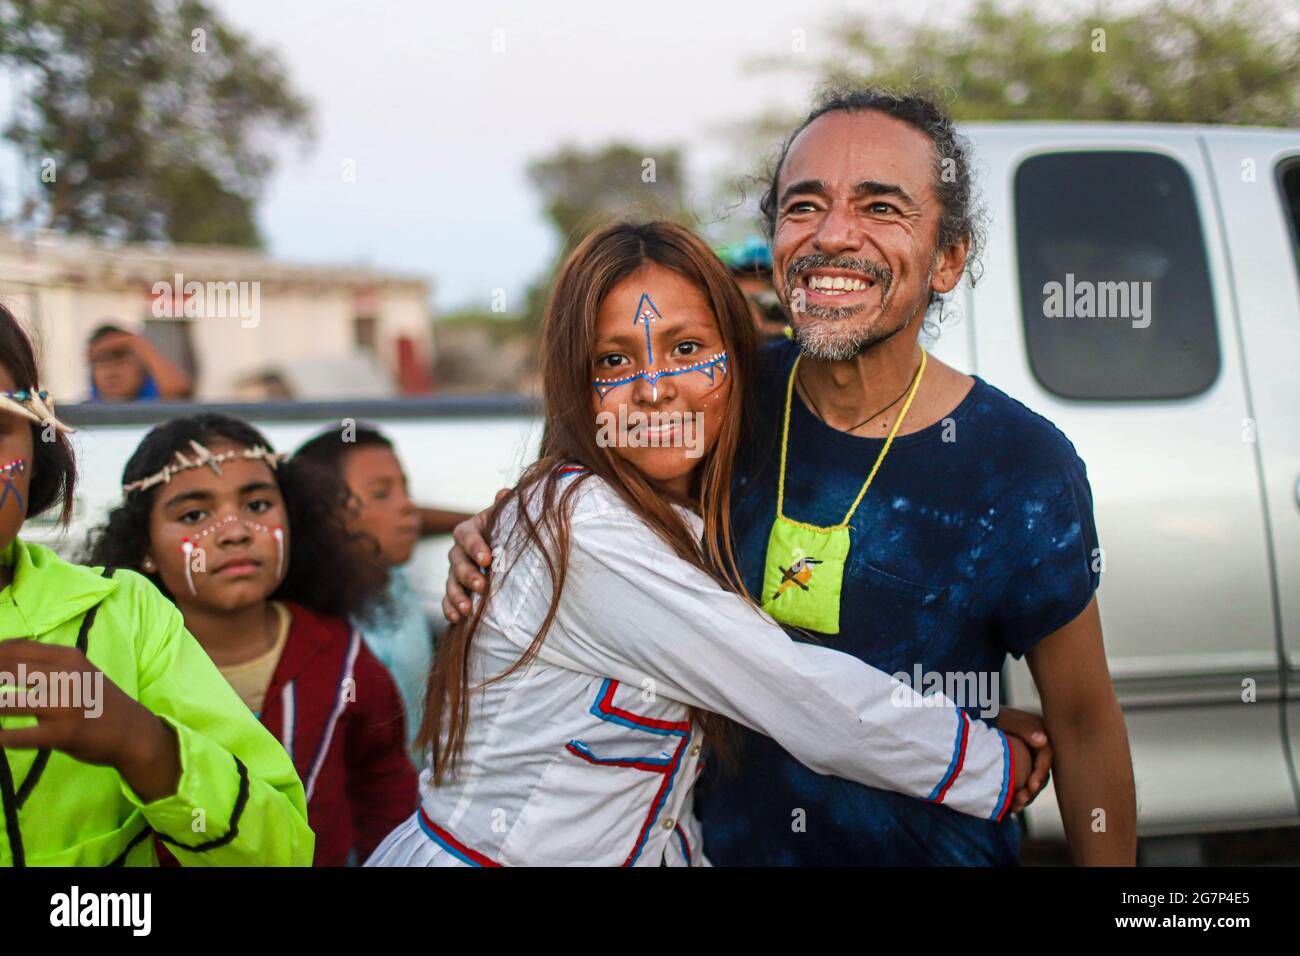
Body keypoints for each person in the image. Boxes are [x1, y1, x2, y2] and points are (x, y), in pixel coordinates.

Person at [444, 87, 1137, 866]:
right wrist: (499, 526)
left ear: (948, 258)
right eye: (804, 205)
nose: (834, 235)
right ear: (773, 240)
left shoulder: (1021, 466)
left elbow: (1081, 722)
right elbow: (601, 484)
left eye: (880, 207)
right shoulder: (718, 400)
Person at [367, 221, 1048, 868]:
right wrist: (989, 762)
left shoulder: (687, 512)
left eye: (687, 349)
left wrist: (959, 711)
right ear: (578, 385)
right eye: (614, 360)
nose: (656, 389)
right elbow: (798, 691)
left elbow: (656, 809)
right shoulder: (585, 529)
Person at [0, 304, 312, 866]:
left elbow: (283, 851)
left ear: (34, 445)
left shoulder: (126, 617)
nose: (235, 534)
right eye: (194, 515)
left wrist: (145, 747)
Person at [88, 414, 418, 866]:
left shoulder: (343, 657)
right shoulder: (115, 667)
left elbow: (384, 787)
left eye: (258, 506)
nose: (237, 532)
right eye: (195, 514)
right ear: (144, 548)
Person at [293, 424, 472, 749]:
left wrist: (485, 518)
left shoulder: (385, 569)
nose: (408, 507)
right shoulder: (329, 630)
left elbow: (417, 518)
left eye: (406, 489)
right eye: (381, 493)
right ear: (323, 513)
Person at [86, 324, 192, 401]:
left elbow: (177, 391)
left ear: (142, 368)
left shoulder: (154, 407)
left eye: (120, 361)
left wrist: (135, 343)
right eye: (102, 362)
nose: (111, 373)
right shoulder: (80, 416)